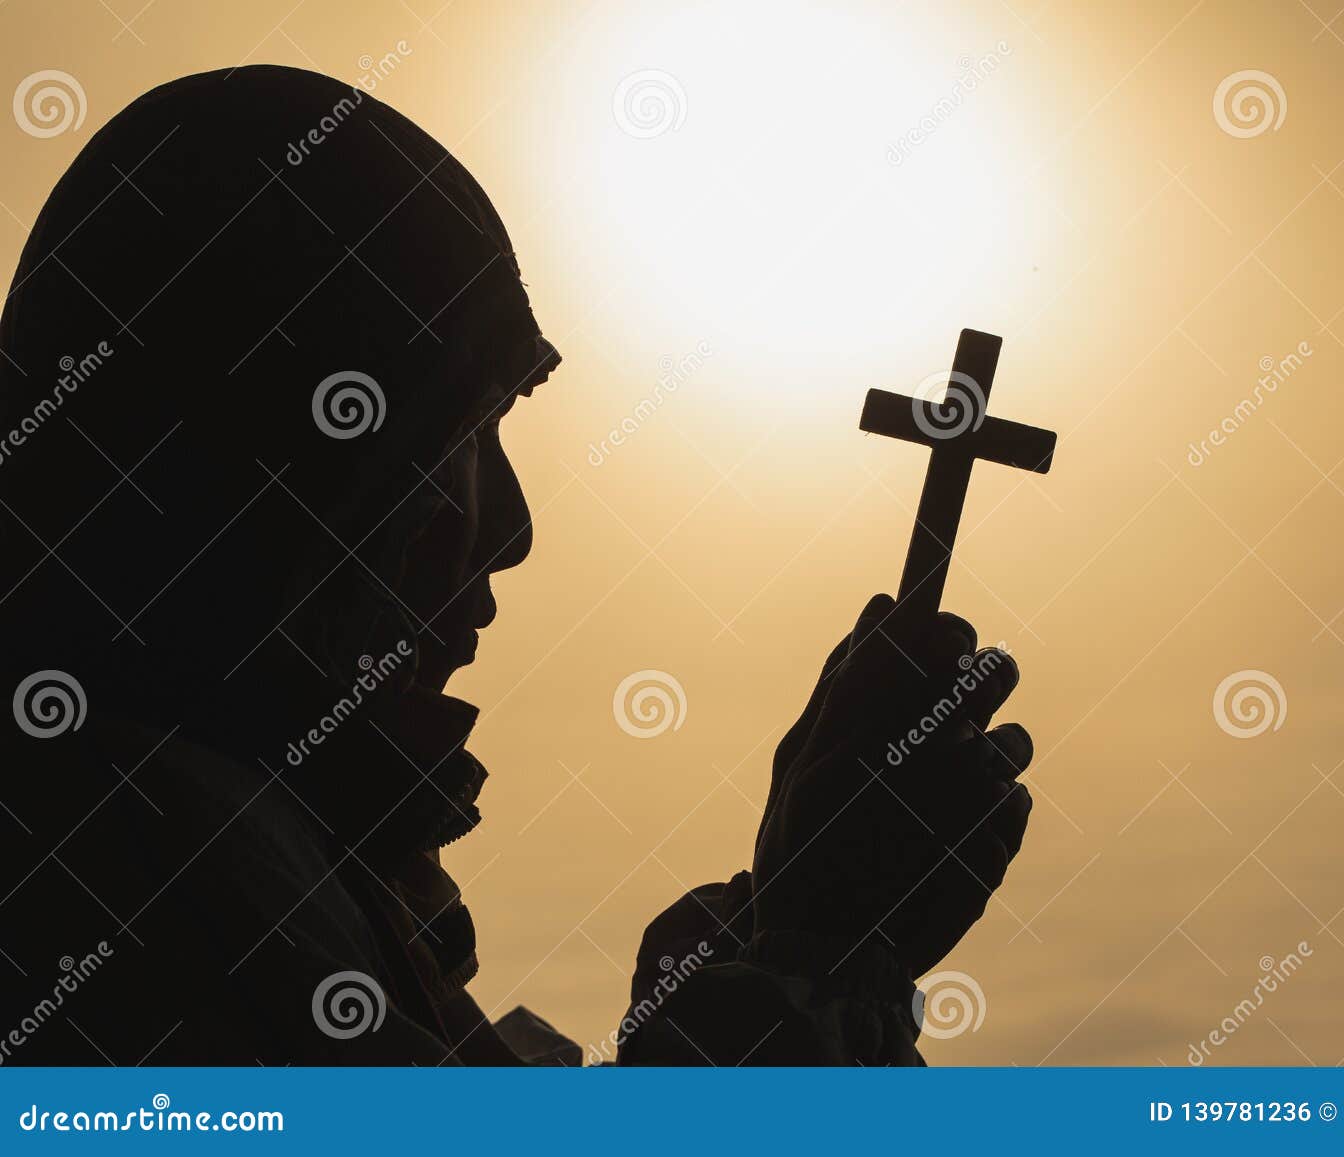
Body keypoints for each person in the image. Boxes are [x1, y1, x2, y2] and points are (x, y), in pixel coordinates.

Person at [0, 66, 1032, 1065]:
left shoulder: (255, 858)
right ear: (274, 473)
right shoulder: (141, 880)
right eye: (459, 435)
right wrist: (807, 958)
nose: (512, 529)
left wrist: (777, 952)